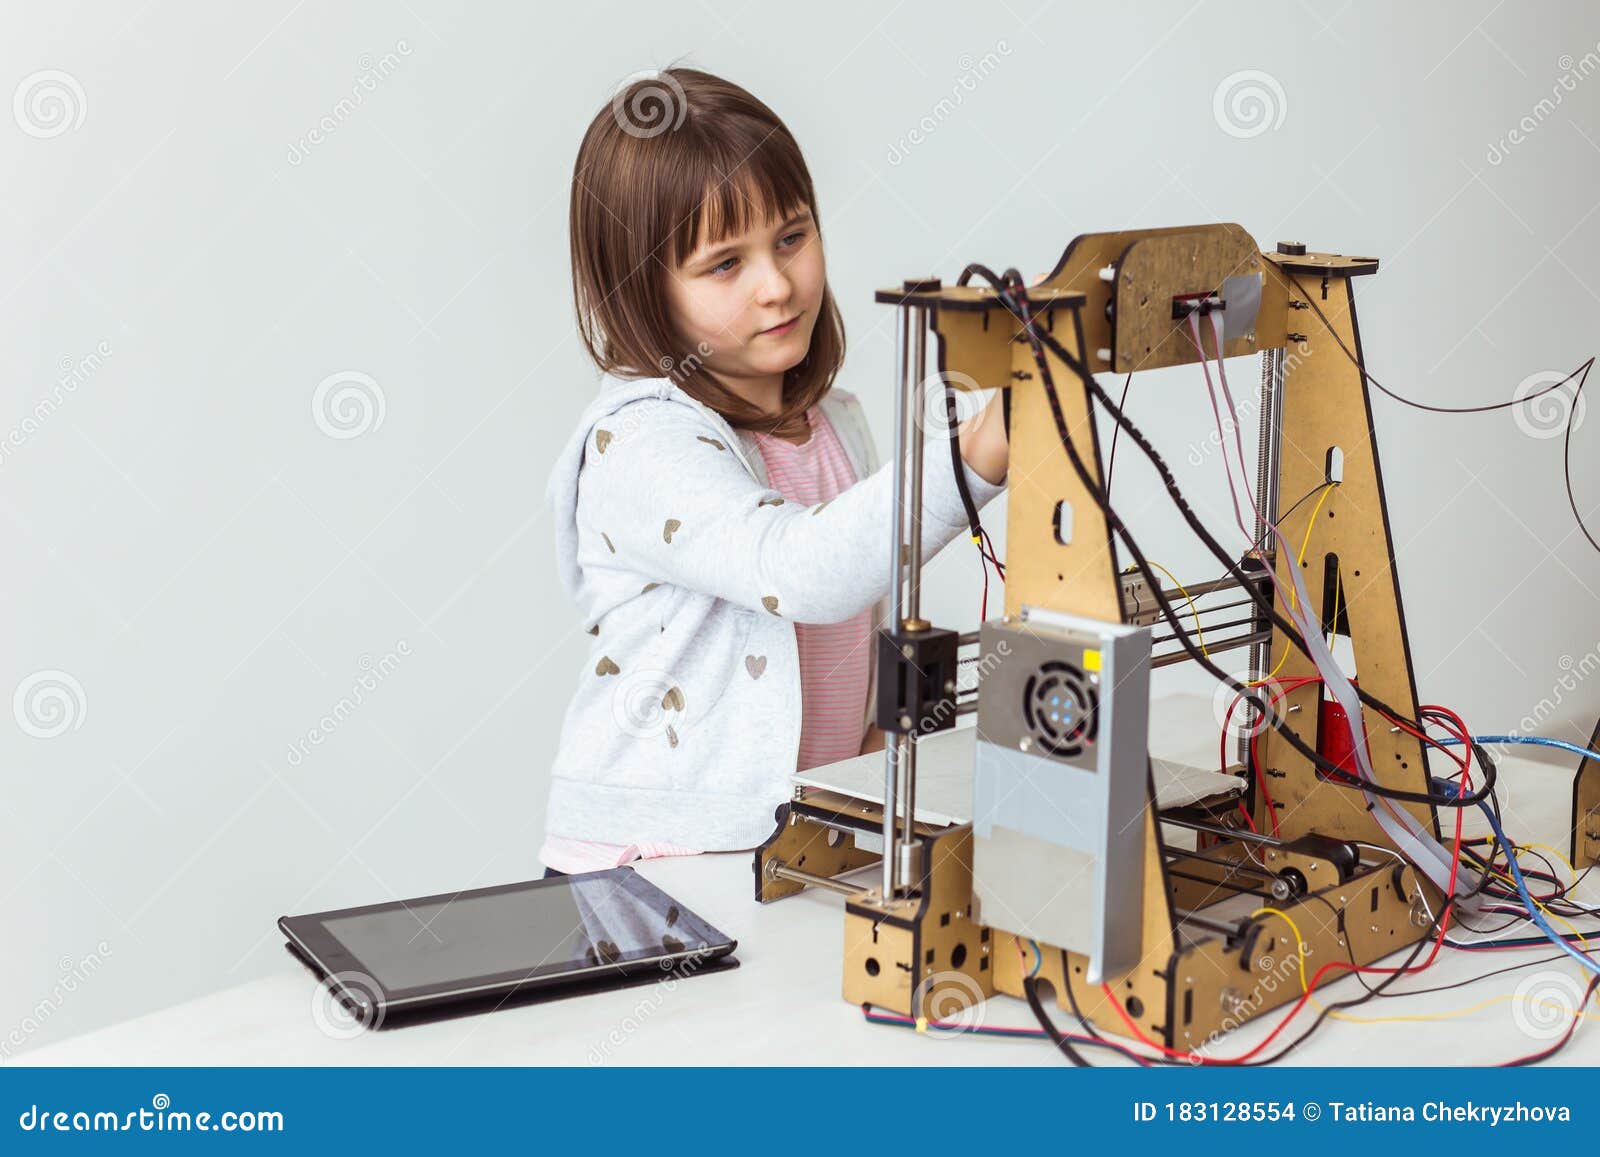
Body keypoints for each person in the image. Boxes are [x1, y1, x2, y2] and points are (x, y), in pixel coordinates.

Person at [538, 67, 1008, 877]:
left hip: (789, 844)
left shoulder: (837, 420)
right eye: (725, 264)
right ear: (644, 293)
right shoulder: (642, 442)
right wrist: (974, 456)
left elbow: (864, 597)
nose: (777, 285)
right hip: (651, 859)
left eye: (791, 237)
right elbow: (799, 569)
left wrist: (871, 732)